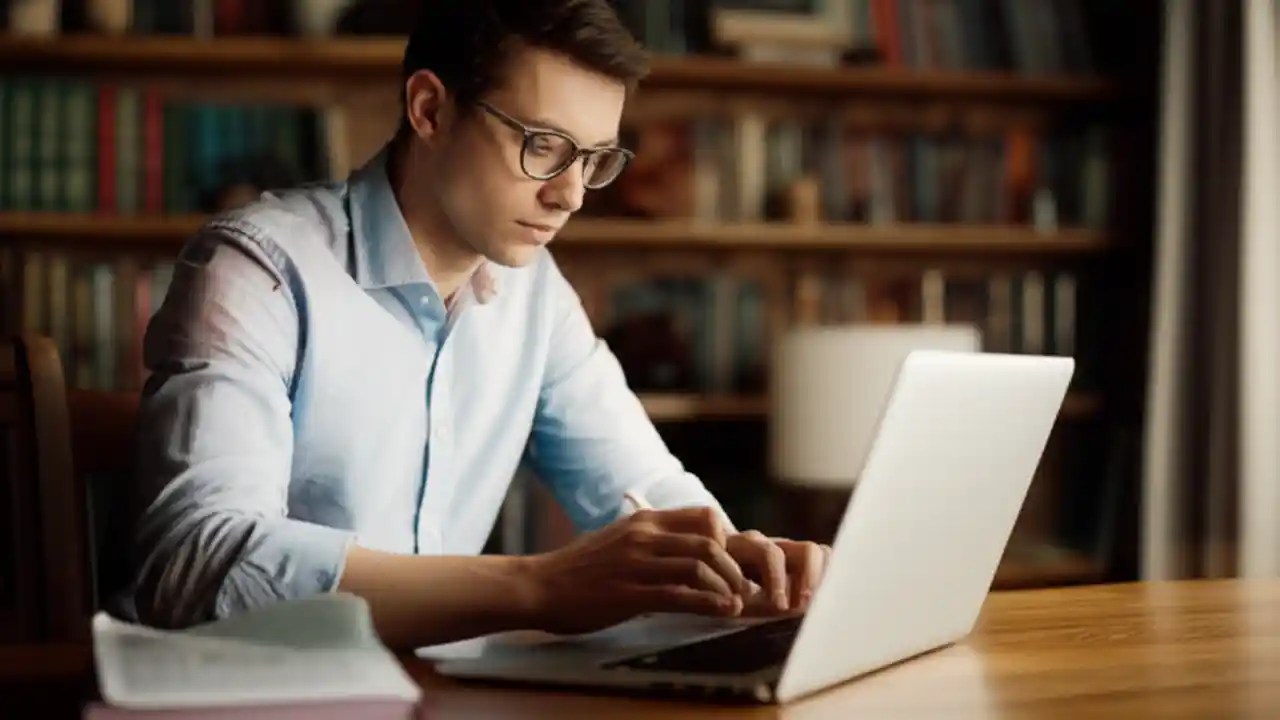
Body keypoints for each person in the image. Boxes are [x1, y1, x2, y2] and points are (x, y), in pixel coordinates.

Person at [120, 0, 829, 651]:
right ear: (430, 109)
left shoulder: (534, 294)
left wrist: (745, 566)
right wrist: (537, 588)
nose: (571, 194)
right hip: (239, 689)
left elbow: (642, 489)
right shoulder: (257, 268)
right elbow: (198, 564)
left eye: (593, 159)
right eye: (544, 145)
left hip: (433, 690)